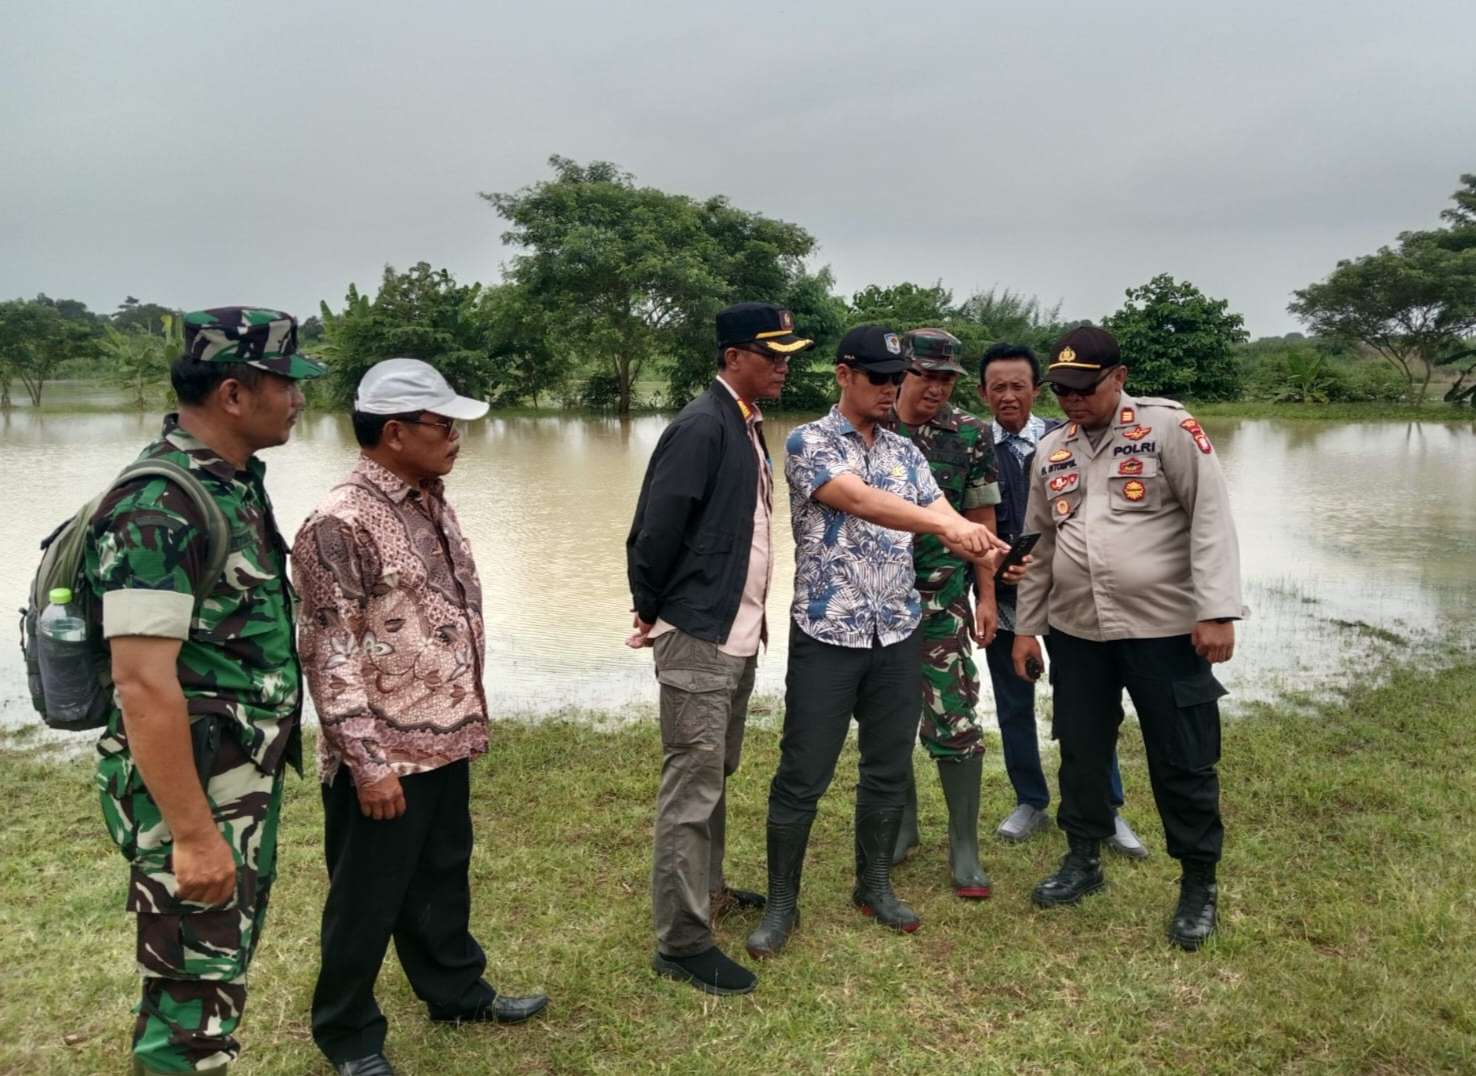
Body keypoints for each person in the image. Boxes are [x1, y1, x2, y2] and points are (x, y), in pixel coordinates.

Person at [87, 307, 324, 1076]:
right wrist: (192, 835)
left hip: (234, 779)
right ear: (233, 392)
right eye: (286, 384)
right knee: (194, 987)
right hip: (194, 791)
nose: (297, 400)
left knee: (206, 974)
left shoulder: (232, 485)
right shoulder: (161, 506)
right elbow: (142, 683)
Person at [294, 359, 547, 1076]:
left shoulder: (428, 498)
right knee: (365, 901)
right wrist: (367, 764)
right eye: (444, 425)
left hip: (443, 735)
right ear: (395, 432)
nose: (457, 437)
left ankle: (456, 991)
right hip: (383, 755)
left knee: (441, 875)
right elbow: (329, 652)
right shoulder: (337, 523)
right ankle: (350, 1036)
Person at [745, 325, 1008, 958]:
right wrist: (943, 527)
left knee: (887, 770)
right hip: (827, 633)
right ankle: (782, 903)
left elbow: (943, 509)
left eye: (897, 379)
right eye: (878, 378)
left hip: (897, 628)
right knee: (803, 773)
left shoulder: (905, 452)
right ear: (843, 375)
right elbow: (861, 502)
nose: (891, 389)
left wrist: (984, 545)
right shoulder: (809, 441)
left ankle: (875, 885)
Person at [1012, 326, 1245, 950]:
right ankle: (1083, 859)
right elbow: (1039, 546)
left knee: (1183, 756)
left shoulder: (1169, 429)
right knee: (1082, 749)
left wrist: (1217, 610)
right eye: (1060, 389)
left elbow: (1210, 516)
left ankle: (1198, 885)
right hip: (1077, 630)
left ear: (1118, 377)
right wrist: (1027, 629)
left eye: (1084, 388)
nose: (1072, 400)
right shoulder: (1051, 451)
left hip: (1165, 629)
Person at [626, 302, 814, 996]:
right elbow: (652, 532)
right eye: (773, 355)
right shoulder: (702, 426)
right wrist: (654, 613)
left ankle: (708, 891)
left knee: (716, 771)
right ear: (735, 356)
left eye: (788, 355)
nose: (784, 365)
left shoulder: (742, 421)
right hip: (700, 633)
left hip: (734, 631)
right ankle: (681, 940)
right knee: (693, 783)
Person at [977, 343, 1146, 858]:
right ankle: (1030, 799)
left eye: (1019, 386)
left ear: (1036, 389)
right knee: (1013, 701)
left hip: (1073, 593)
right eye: (998, 387)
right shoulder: (972, 444)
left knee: (1090, 707)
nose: (1009, 396)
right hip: (1005, 597)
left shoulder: (1068, 436)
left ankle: (1106, 807)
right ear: (983, 393)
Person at [878, 328, 1001, 899]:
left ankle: (964, 848)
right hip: (873, 602)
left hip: (940, 601)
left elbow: (980, 519)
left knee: (955, 719)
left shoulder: (972, 434)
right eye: (926, 374)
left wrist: (988, 597)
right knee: (887, 719)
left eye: (947, 377)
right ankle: (902, 827)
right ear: (902, 373)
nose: (936, 387)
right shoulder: (870, 425)